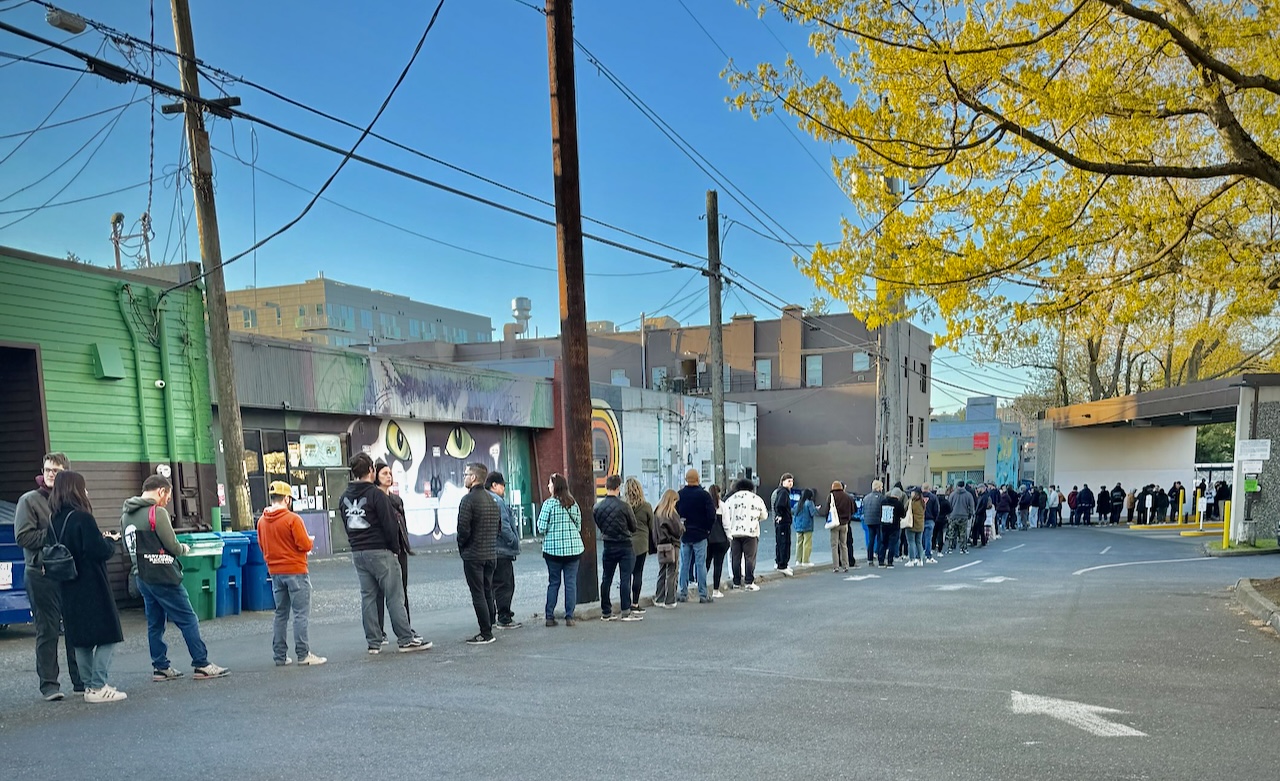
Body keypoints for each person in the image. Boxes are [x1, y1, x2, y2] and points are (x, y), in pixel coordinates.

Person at [122, 475, 230, 680]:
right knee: (188, 619)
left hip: (141, 576)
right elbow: (172, 545)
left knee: (155, 623)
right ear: (161, 491)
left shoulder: (126, 514)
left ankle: (160, 667)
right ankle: (202, 663)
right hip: (163, 575)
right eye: (168, 497)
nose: (167, 502)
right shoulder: (157, 512)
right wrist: (183, 548)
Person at [340, 453, 431, 653]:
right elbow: (390, 525)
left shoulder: (344, 496)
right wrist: (395, 549)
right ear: (371, 471)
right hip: (381, 551)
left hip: (358, 552)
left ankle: (374, 642)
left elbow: (346, 526)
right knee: (394, 596)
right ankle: (405, 639)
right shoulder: (376, 495)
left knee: (368, 597)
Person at [48, 472, 125, 703]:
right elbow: (98, 550)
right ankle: (98, 685)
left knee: (81, 638)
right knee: (109, 634)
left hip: (67, 584)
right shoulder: (83, 518)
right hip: (92, 584)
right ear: (75, 490)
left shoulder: (53, 519)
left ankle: (89, 687)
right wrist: (110, 540)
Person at [13, 452, 84, 700]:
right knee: (48, 630)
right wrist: (57, 533)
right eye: (47, 470)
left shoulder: (72, 500)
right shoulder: (29, 501)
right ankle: (50, 685)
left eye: (55, 471)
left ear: (66, 472)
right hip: (41, 573)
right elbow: (23, 537)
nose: (50, 475)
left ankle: (81, 680)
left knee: (76, 628)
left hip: (69, 572)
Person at [257, 480, 324, 667]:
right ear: (287, 498)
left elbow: (262, 545)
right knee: (300, 614)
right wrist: (309, 541)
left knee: (281, 614)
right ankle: (303, 655)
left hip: (275, 573)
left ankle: (280, 656)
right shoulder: (292, 519)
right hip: (296, 571)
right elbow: (304, 544)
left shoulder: (262, 521)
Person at [457, 462, 501, 644]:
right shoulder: (493, 500)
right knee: (487, 591)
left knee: (478, 594)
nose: (465, 477)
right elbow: (499, 528)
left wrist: (462, 547)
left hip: (474, 554)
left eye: (466, 474)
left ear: (474, 477)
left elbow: (463, 529)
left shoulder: (468, 500)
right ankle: (489, 624)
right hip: (491, 553)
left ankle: (485, 632)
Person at [374, 460, 413, 644]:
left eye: (390, 473)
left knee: (402, 591)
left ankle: (406, 627)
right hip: (382, 550)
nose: (389, 477)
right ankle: (379, 631)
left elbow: (402, 525)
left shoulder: (396, 500)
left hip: (400, 549)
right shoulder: (374, 498)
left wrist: (404, 546)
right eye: (384, 473)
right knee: (378, 593)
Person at [538, 473, 584, 626]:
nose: (548, 486)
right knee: (571, 583)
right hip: (573, 549)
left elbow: (541, 527)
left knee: (554, 582)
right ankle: (569, 616)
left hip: (553, 550)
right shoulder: (573, 503)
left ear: (555, 486)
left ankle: (549, 616)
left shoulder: (548, 504)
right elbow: (578, 526)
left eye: (550, 484)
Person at [594, 474, 642, 621]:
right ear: (618, 487)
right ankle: (625, 611)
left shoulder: (597, 507)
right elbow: (633, 527)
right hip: (624, 546)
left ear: (606, 487)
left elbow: (600, 525)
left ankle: (606, 611)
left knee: (606, 578)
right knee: (625, 578)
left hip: (608, 545)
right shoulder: (624, 506)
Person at [487, 472, 522, 630]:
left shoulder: (483, 499)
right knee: (505, 584)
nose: (504, 489)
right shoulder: (498, 501)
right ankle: (504, 617)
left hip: (487, 549)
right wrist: (514, 542)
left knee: (491, 585)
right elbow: (504, 526)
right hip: (501, 549)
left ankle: (491, 617)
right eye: (503, 485)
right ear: (494, 485)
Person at [677, 469, 717, 603]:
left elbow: (675, 514)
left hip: (685, 534)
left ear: (686, 479)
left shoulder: (680, 495)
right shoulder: (704, 495)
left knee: (684, 564)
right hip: (700, 534)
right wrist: (707, 529)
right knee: (700, 565)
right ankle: (703, 594)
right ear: (698, 479)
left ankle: (682, 592)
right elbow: (712, 515)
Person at [722, 478, 768, 590]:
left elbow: (725, 516)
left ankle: (736, 582)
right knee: (749, 558)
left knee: (735, 558)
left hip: (734, 533)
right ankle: (749, 582)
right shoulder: (756, 499)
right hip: (751, 533)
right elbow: (764, 515)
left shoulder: (731, 499)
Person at [624, 477, 654, 609]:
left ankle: (625, 603)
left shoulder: (624, 506)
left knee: (626, 575)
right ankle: (635, 603)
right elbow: (652, 525)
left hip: (627, 543)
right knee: (638, 573)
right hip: (642, 543)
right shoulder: (646, 506)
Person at [652, 490, 685, 607]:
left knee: (661, 571)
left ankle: (659, 598)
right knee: (672, 572)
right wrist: (682, 526)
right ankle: (670, 599)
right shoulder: (672, 513)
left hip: (661, 546)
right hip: (672, 545)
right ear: (672, 500)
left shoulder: (657, 512)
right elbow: (678, 530)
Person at [705, 484, 732, 596]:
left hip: (707, 539)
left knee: (705, 563)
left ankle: (701, 586)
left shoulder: (705, 505)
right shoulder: (722, 506)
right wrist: (729, 537)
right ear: (719, 493)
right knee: (718, 565)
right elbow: (726, 524)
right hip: (720, 539)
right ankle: (716, 590)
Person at [771, 473, 796, 576]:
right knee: (784, 543)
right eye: (788, 481)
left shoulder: (781, 492)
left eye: (791, 481)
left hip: (781, 522)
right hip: (783, 522)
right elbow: (780, 505)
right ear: (783, 482)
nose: (791, 483)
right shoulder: (784, 493)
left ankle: (779, 562)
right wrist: (780, 515)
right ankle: (782, 565)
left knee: (780, 543)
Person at [828, 481, 855, 572]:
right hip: (845, 524)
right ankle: (845, 565)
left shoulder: (831, 496)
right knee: (844, 544)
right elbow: (853, 510)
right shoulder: (848, 497)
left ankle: (836, 566)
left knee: (834, 545)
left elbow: (826, 511)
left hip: (835, 524)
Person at [861, 481, 885, 567]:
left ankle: (869, 559)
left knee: (871, 540)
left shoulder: (866, 498)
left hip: (868, 521)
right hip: (878, 521)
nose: (882, 489)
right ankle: (878, 555)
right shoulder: (882, 497)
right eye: (881, 487)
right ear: (878, 488)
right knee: (880, 539)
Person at [946, 482, 975, 554]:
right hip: (964, 516)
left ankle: (950, 547)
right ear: (964, 486)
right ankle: (963, 548)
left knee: (952, 532)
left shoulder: (952, 494)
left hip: (953, 515)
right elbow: (971, 505)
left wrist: (949, 515)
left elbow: (949, 505)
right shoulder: (968, 495)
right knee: (963, 533)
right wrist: (971, 513)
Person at [793, 487, 816, 568]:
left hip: (798, 526)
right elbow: (812, 513)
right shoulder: (809, 503)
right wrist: (816, 509)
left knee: (799, 543)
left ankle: (798, 560)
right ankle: (805, 561)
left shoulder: (797, 504)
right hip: (807, 526)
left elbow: (794, 514)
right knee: (807, 543)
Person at [903, 487, 926, 566]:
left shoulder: (911, 502)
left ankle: (912, 559)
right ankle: (920, 559)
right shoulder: (922, 502)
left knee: (911, 542)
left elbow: (904, 509)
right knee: (919, 542)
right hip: (920, 525)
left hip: (911, 524)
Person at [922, 485, 939, 564]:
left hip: (920, 519)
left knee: (919, 538)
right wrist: (934, 518)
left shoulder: (919, 497)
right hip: (930, 519)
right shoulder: (933, 497)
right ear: (929, 488)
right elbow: (936, 509)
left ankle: (919, 555)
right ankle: (928, 555)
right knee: (928, 538)